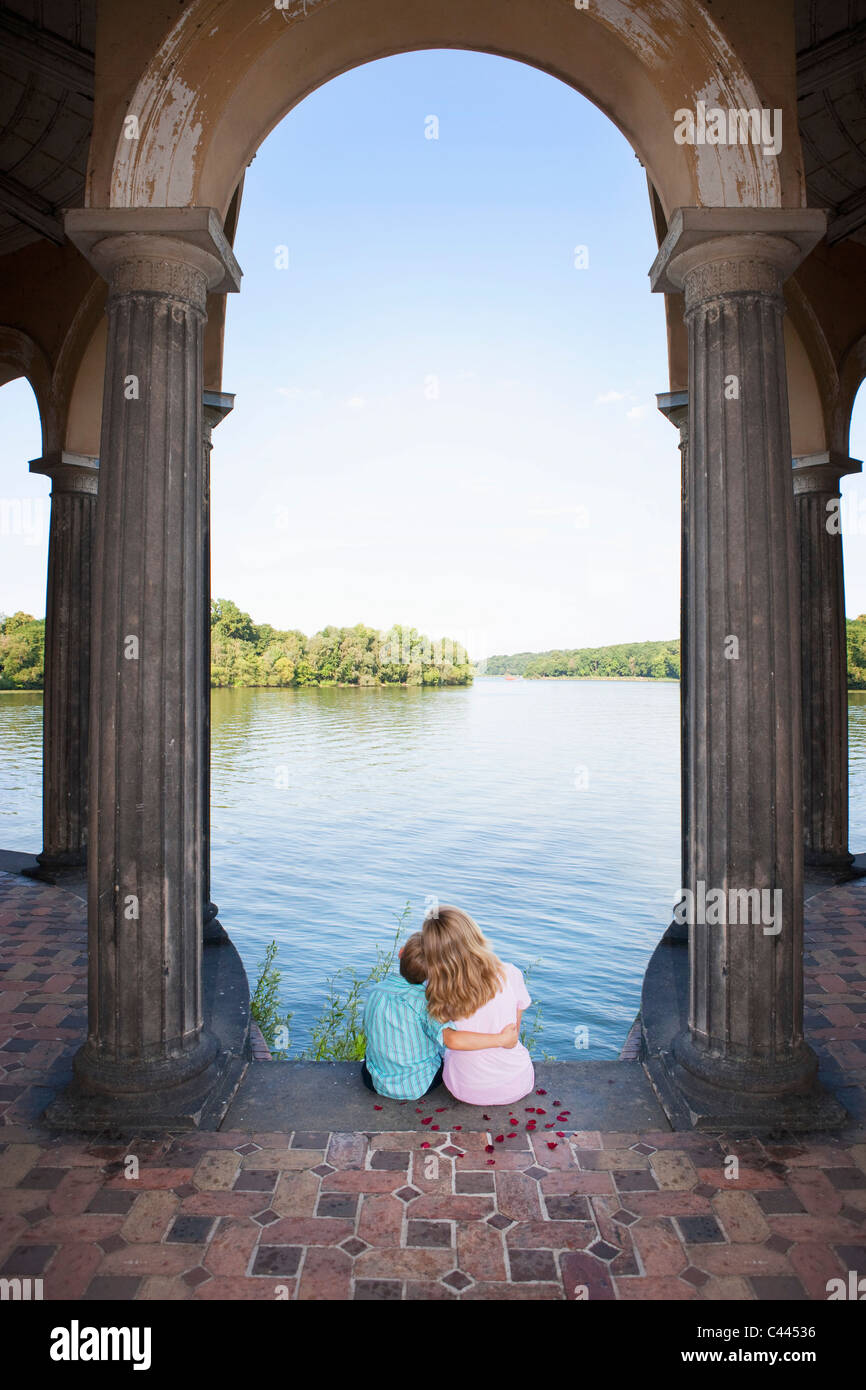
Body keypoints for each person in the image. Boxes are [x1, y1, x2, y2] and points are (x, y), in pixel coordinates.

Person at [362, 931, 518, 1100]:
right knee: (445, 1061)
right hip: (417, 1086)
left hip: (374, 1081)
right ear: (436, 972)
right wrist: (502, 1039)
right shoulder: (426, 1004)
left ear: (401, 953)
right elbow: (452, 1040)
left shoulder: (375, 992)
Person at [422, 904, 534, 1105]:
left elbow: (450, 1039)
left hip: (465, 1087)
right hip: (517, 1081)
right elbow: (513, 1033)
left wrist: (502, 1039)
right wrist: (501, 1040)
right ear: (473, 933)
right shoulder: (510, 973)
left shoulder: (436, 986)